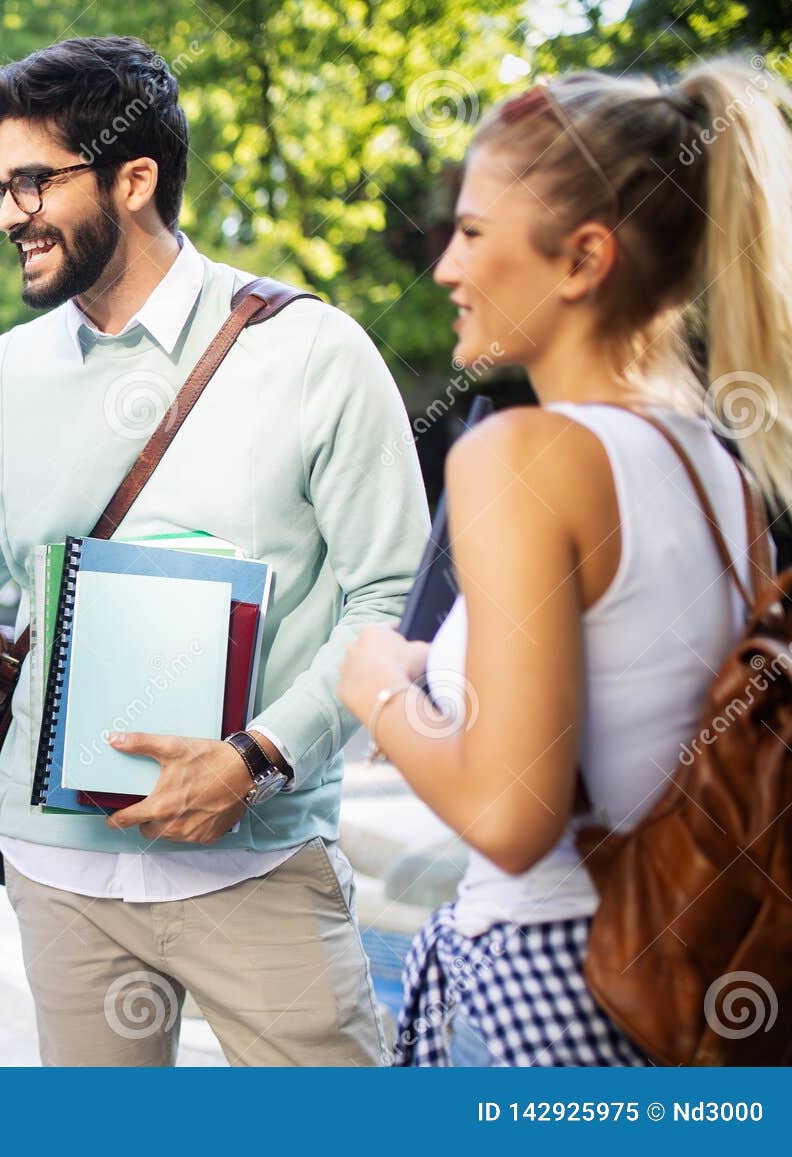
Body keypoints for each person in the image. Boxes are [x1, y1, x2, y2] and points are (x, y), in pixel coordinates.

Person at [0, 37, 430, 1066]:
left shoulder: (312, 350)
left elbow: (387, 597)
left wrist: (254, 761)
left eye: (31, 180)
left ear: (134, 178)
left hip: (257, 862)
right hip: (61, 877)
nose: (4, 215)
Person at [337, 56, 792, 1066]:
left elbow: (509, 814)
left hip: (547, 990)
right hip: (674, 988)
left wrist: (372, 684)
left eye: (470, 232)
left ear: (582, 259)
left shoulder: (518, 457)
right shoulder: (720, 467)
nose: (444, 266)